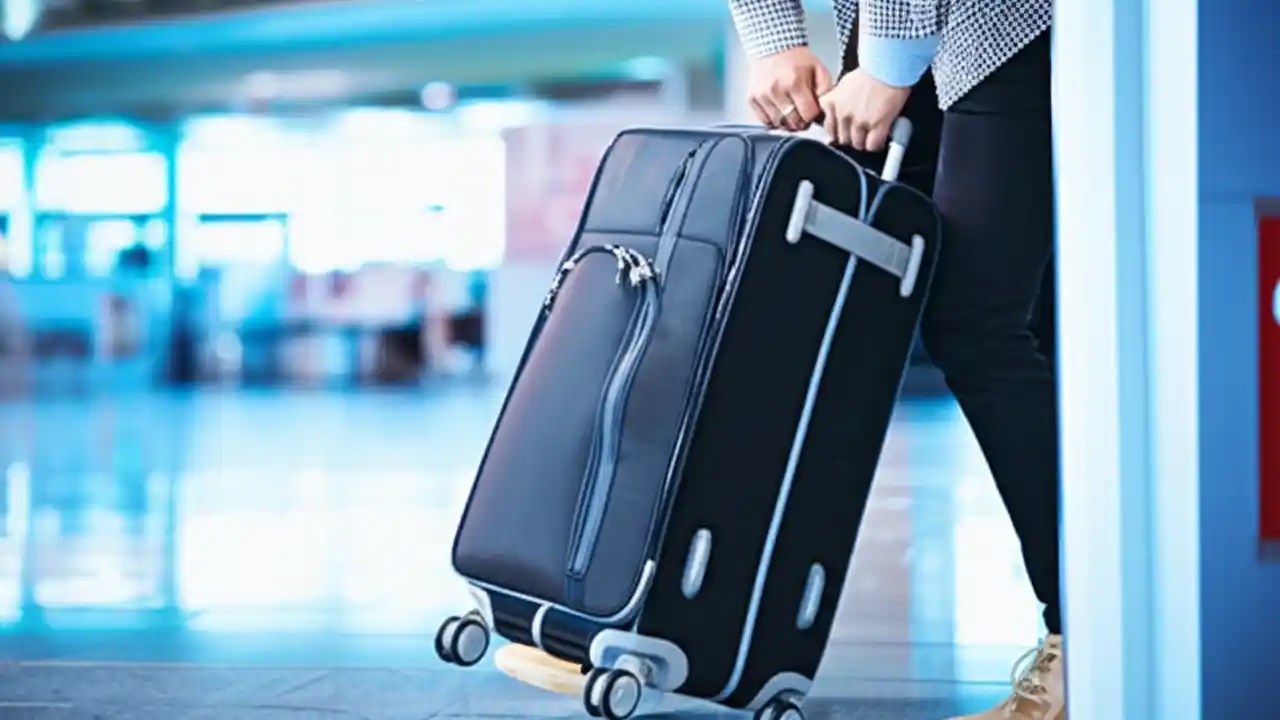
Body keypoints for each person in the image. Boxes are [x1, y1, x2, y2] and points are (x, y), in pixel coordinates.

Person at [728, 1, 1062, 719]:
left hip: (1001, 20)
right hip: (894, 24)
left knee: (982, 322)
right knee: (832, 306)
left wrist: (888, 61)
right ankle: (703, 614)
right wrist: (775, 39)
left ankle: (1086, 636)